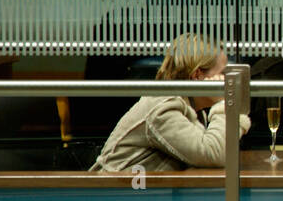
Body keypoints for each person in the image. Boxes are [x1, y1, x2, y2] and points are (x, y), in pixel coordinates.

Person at [90, 33, 250, 172]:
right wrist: (224, 103)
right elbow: (213, 155)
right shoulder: (164, 106)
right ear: (197, 75)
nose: (227, 80)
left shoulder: (191, 107)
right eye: (222, 73)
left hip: (140, 195)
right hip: (113, 196)